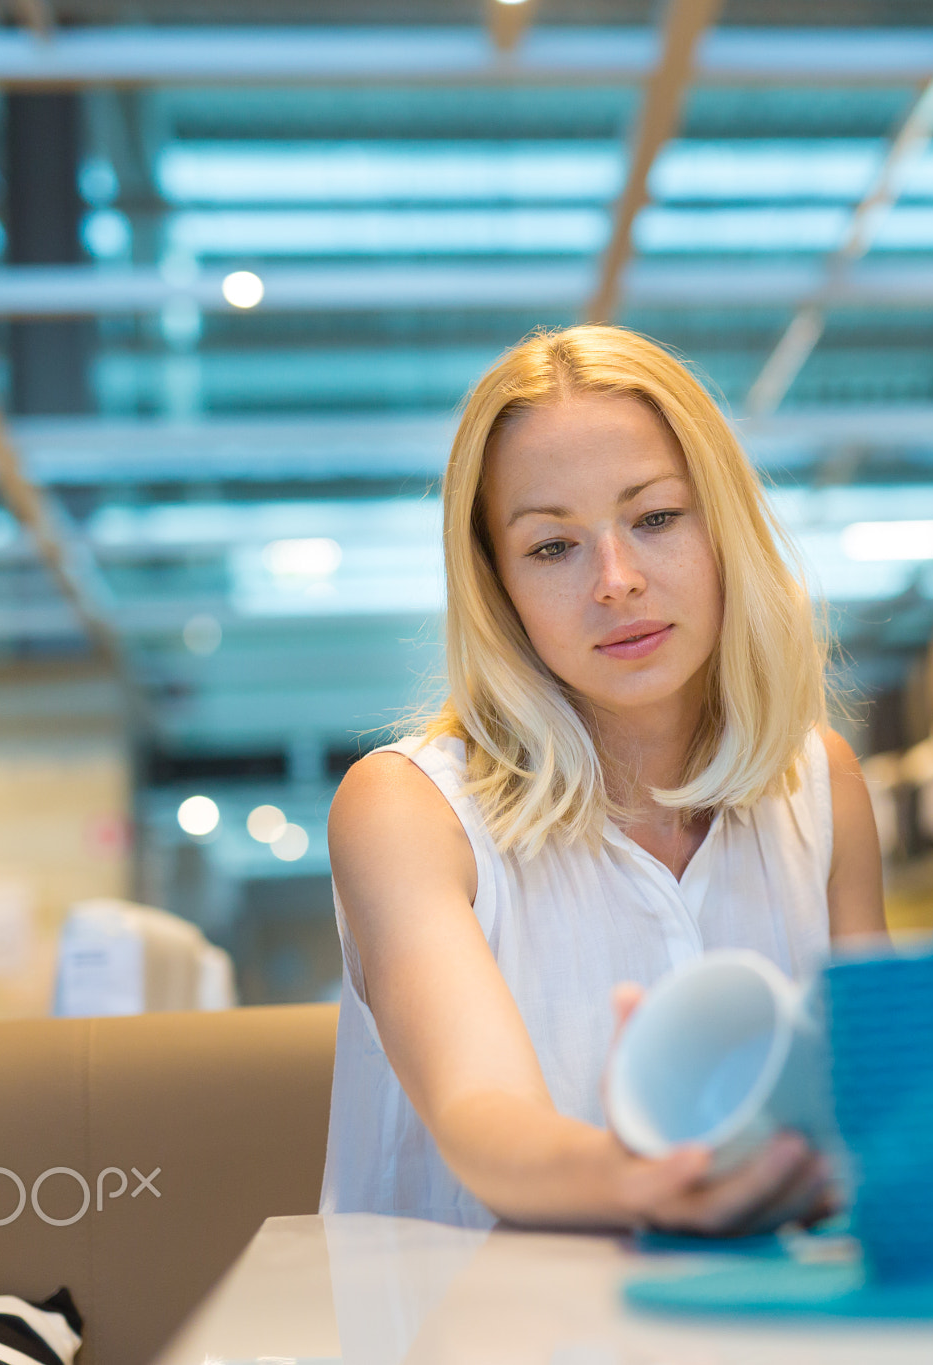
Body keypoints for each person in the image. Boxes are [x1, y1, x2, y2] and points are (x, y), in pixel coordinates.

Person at [321, 325, 887, 1233]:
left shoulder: (821, 782)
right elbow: (482, 1121)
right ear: (496, 582)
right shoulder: (407, 808)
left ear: (723, 526)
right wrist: (648, 1181)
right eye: (553, 547)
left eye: (656, 518)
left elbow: (878, 1090)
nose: (617, 581)